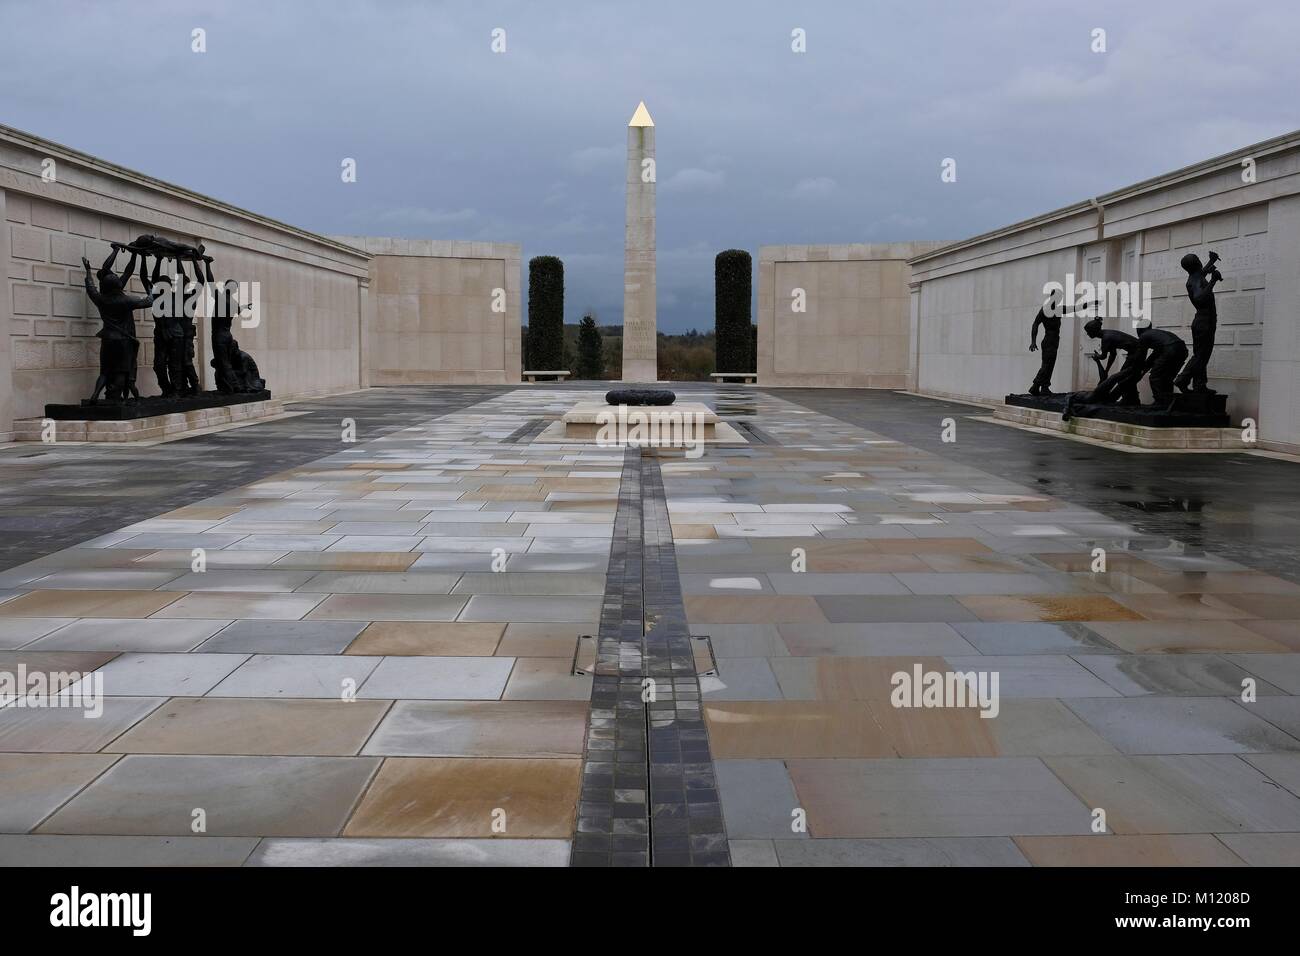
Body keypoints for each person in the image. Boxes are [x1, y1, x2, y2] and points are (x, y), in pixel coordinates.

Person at [82, 249, 160, 402]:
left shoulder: (101, 299)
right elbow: (149, 301)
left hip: (108, 339)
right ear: (118, 286)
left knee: (104, 371)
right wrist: (151, 290)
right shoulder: (126, 300)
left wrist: (88, 271)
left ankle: (95, 394)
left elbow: (90, 288)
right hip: (123, 341)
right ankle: (116, 399)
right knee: (121, 372)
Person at [1027, 290, 1096, 396]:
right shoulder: (1045, 309)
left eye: (1060, 297)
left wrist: (1091, 303)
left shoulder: (1059, 309)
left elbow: (1075, 308)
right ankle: (1035, 386)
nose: (1059, 299)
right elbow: (1035, 324)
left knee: (1050, 365)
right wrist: (1033, 341)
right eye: (1058, 297)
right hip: (1048, 340)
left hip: (1054, 341)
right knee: (1046, 365)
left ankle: (1045, 387)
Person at [1173, 250, 1222, 394]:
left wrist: (1212, 261)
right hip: (1204, 321)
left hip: (1203, 321)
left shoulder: (1196, 276)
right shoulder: (1195, 280)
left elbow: (1202, 273)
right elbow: (1199, 297)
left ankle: (1199, 385)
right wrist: (1213, 281)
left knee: (1202, 355)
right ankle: (1182, 379)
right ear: (1197, 264)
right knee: (1201, 355)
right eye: (1199, 260)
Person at [1138, 325, 1189, 408]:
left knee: (1154, 377)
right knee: (1167, 378)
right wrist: (1145, 369)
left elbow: (1141, 356)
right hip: (1182, 350)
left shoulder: (1143, 336)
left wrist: (1140, 370)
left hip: (1170, 349)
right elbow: (1154, 355)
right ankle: (1168, 402)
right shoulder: (1157, 334)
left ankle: (1160, 402)